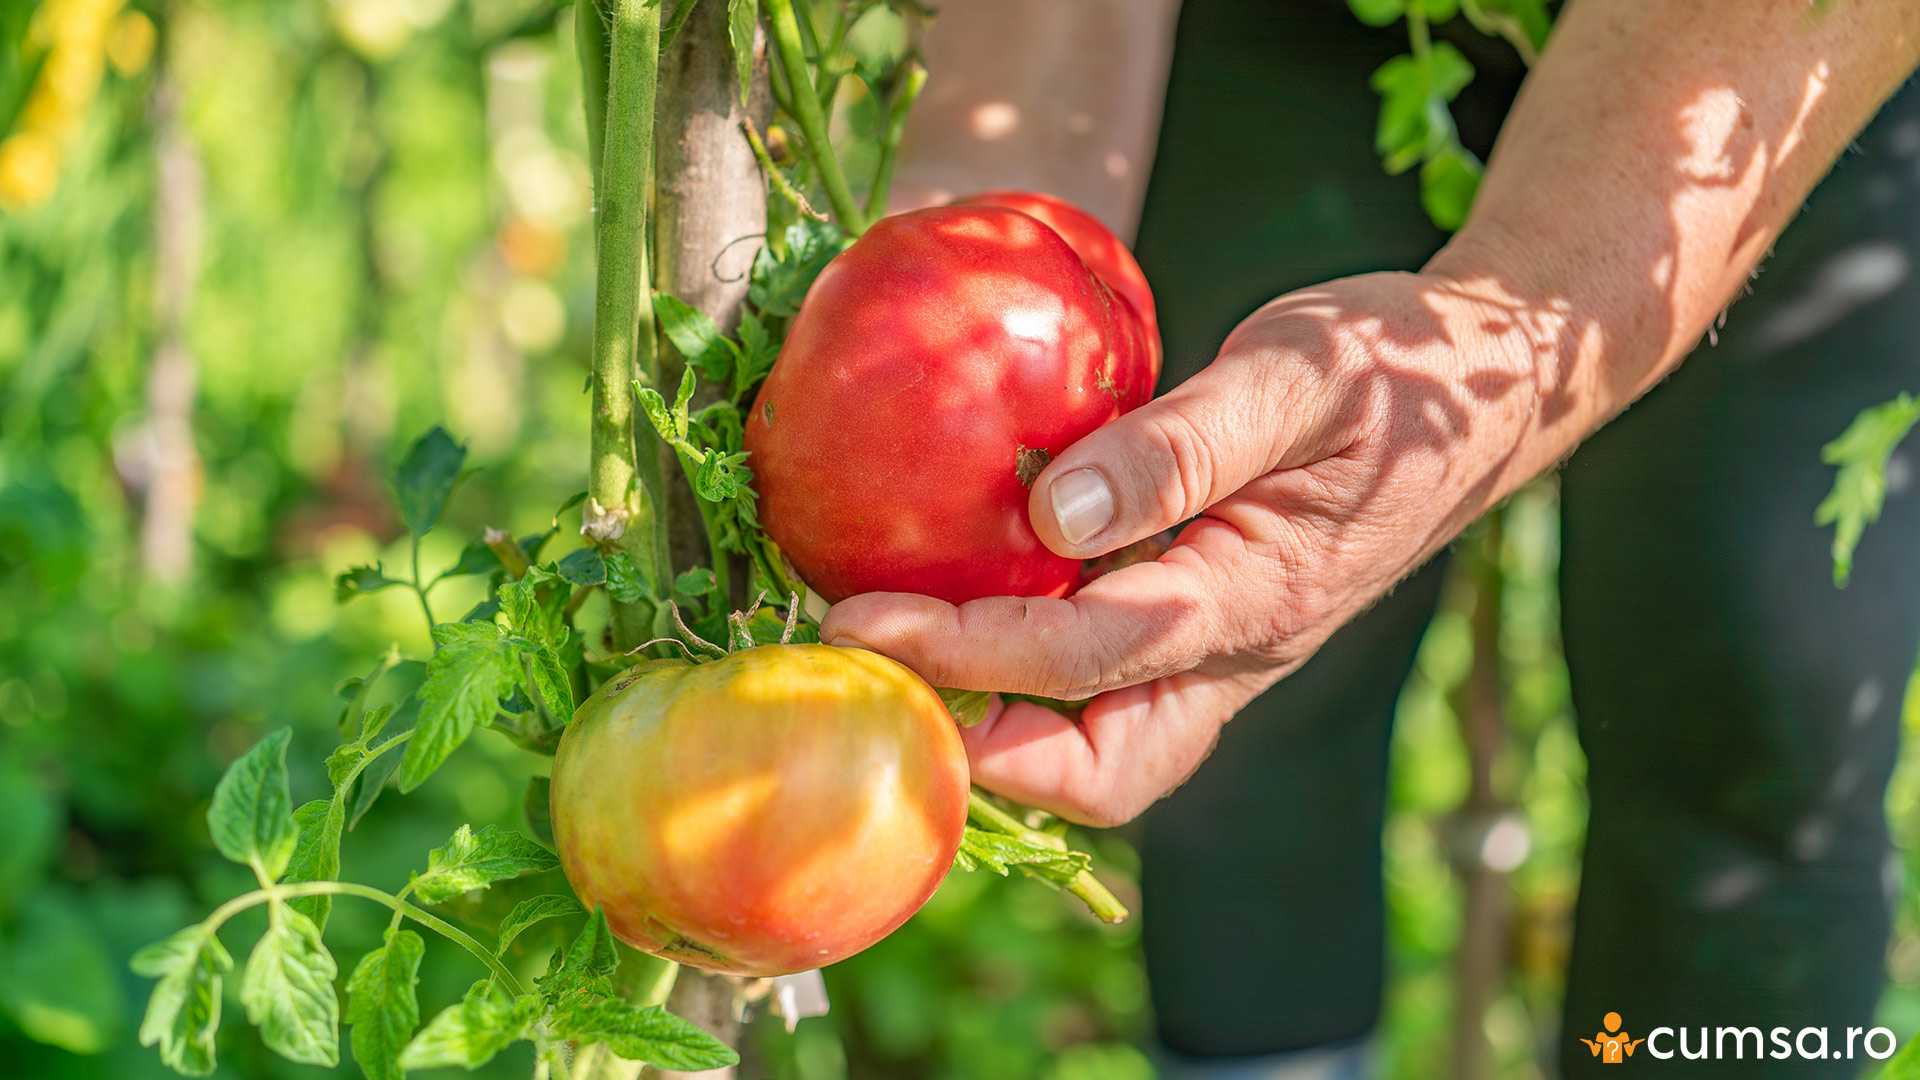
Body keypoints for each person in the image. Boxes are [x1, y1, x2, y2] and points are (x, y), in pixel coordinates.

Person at [829, 0, 1920, 1076]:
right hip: (1307, 32)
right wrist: (964, 289)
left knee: (1762, 710)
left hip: (1788, 58)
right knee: (1204, 659)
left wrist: (1514, 324)